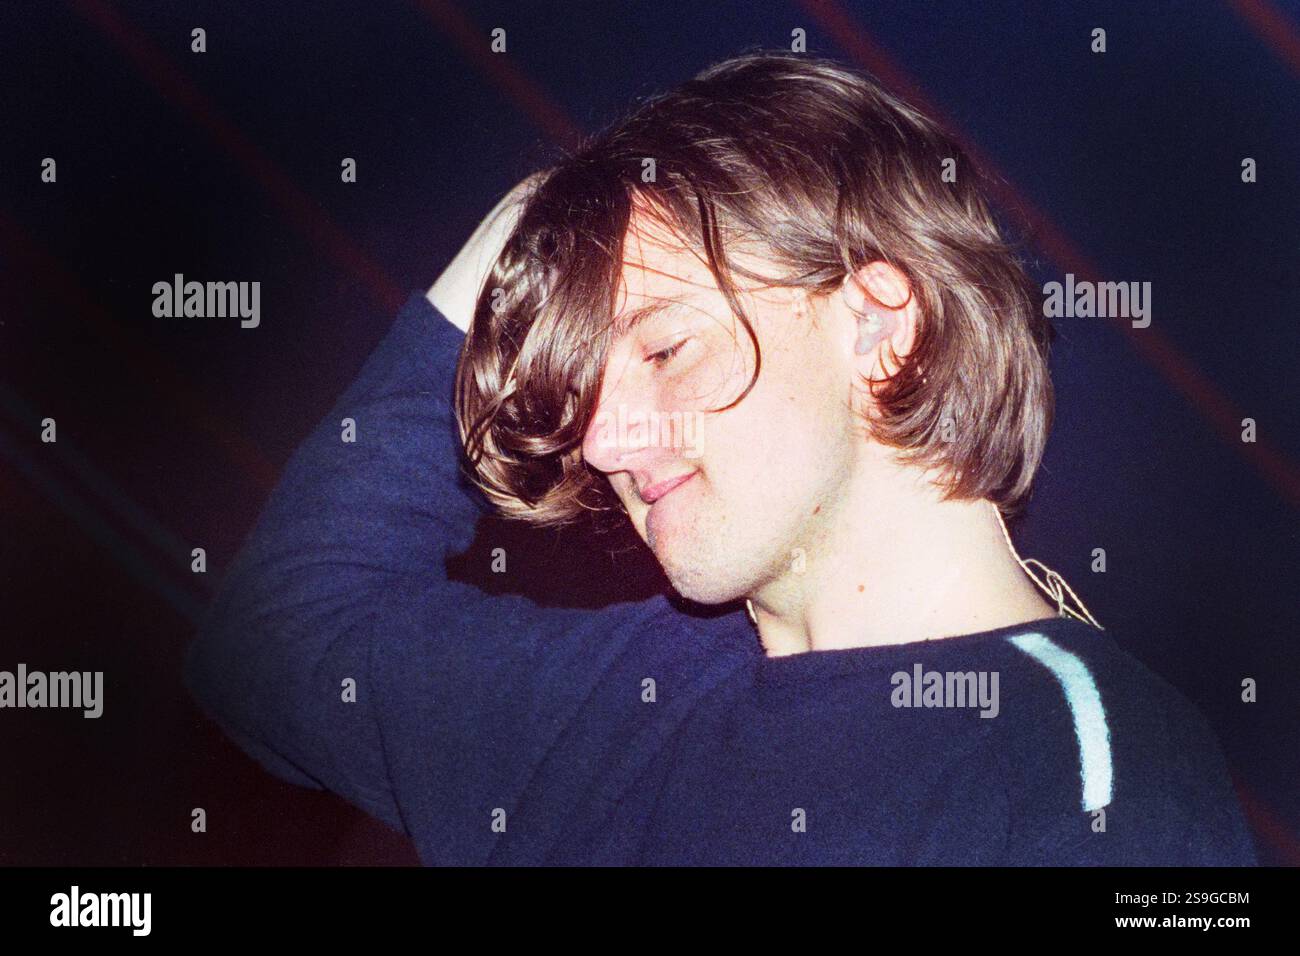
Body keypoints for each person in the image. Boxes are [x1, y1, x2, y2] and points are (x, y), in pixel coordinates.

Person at [185, 52, 1257, 865]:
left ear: (883, 327)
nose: (605, 441)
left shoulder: (1095, 784)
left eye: (664, 347)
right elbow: (275, 638)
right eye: (590, 391)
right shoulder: (619, 705)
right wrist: (534, 218)